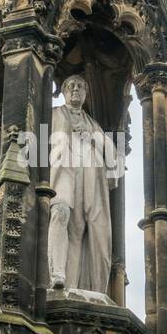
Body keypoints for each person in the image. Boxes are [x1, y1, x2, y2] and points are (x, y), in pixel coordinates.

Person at [47, 75, 117, 295]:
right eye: (70, 86)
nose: (75, 90)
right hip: (64, 173)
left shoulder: (93, 123)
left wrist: (93, 138)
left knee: (81, 232)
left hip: (89, 176)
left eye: (80, 87)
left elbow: (113, 154)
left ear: (86, 93)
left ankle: (75, 286)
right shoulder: (54, 115)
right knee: (60, 213)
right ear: (64, 92)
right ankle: (57, 275)